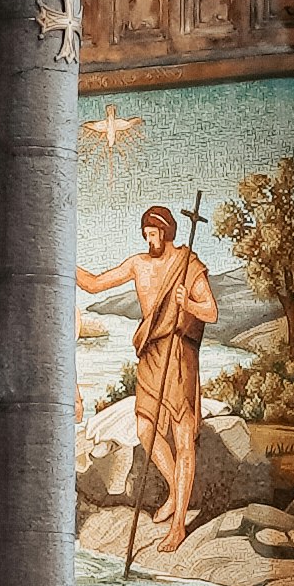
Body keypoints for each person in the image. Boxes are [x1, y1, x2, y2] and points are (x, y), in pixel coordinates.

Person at [77, 200, 220, 560]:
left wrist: (187, 303)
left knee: (183, 435)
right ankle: (176, 490)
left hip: (180, 355)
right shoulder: (139, 265)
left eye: (154, 232)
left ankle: (178, 526)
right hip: (153, 355)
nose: (150, 239)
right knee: (145, 430)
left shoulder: (188, 265)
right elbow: (95, 284)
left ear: (168, 231)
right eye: (146, 233)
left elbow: (212, 312)